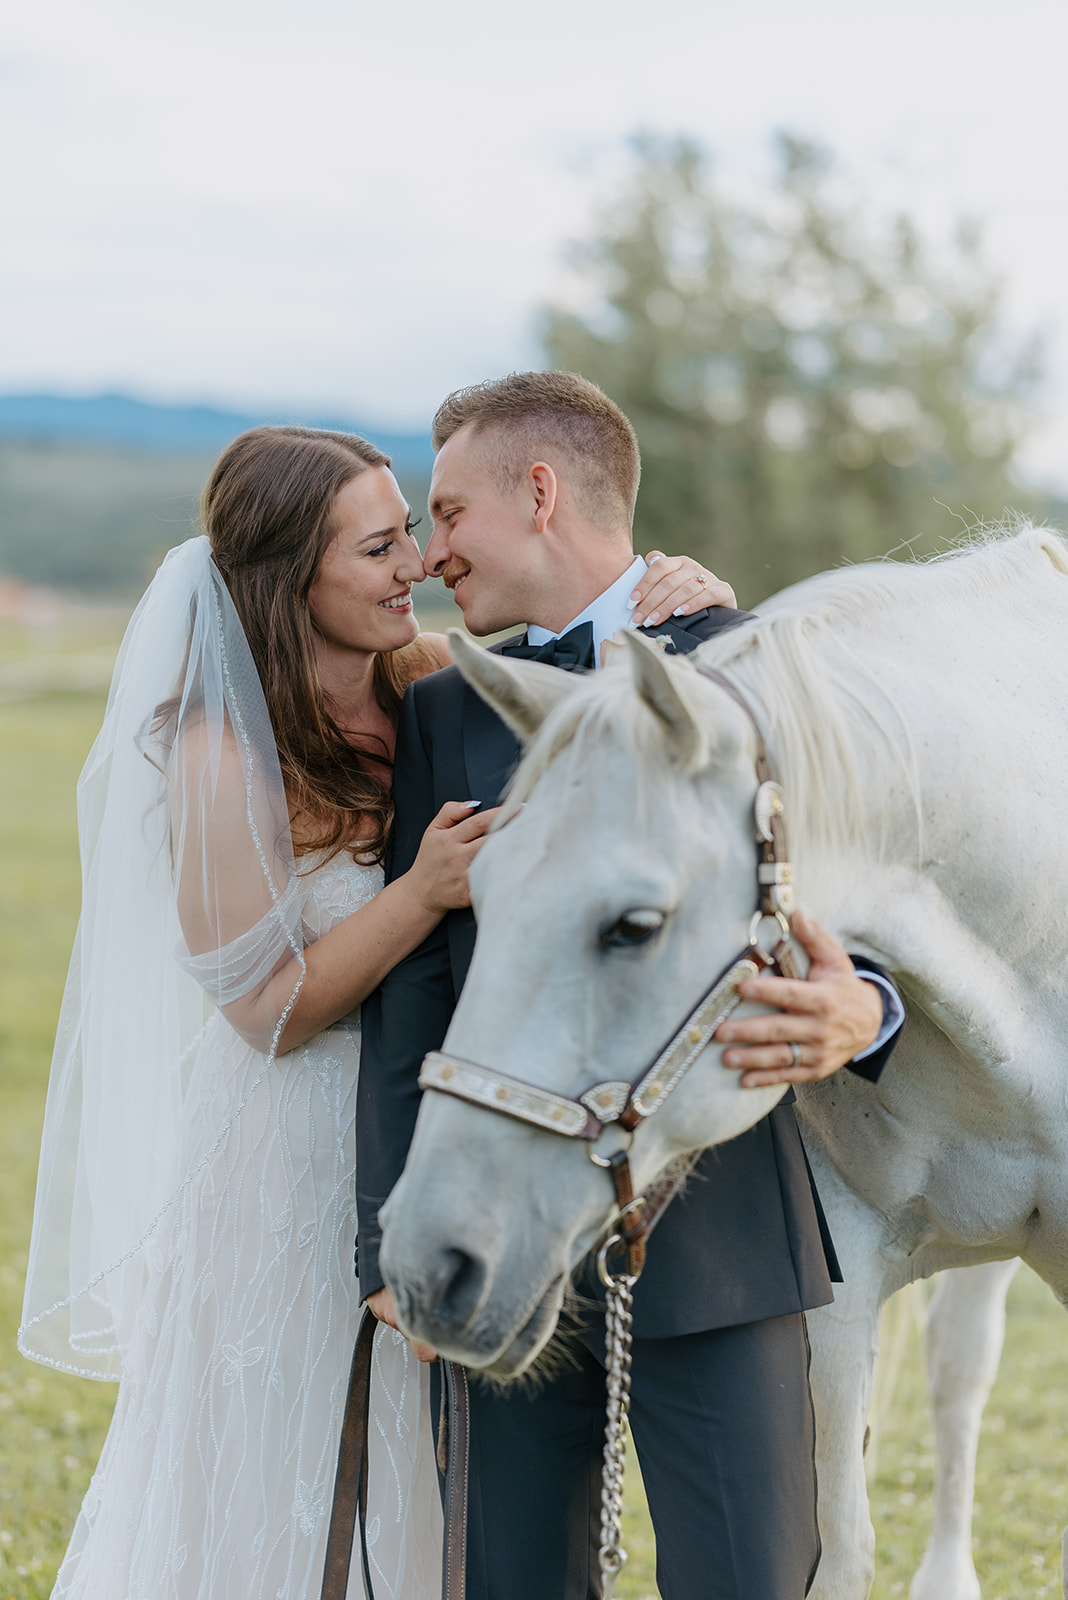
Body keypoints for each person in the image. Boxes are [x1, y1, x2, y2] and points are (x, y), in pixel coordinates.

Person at [17, 421, 717, 1600]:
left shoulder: (428, 681)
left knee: (442, 1475)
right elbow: (261, 1005)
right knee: (290, 1461)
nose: (415, 567)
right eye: (381, 546)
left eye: (413, 533)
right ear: (294, 575)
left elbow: (598, 686)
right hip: (287, 1148)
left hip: (430, 1123)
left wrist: (683, 613)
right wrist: (420, 893)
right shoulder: (214, 749)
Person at [355, 372, 905, 1600]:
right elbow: (415, 999)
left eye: (447, 513)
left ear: (540, 491)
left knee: (750, 1580)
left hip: (718, 1254)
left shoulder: (751, 662)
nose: (433, 554)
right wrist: (381, 1235)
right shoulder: (451, 710)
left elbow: (863, 909)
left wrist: (868, 1010)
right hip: (502, 1235)